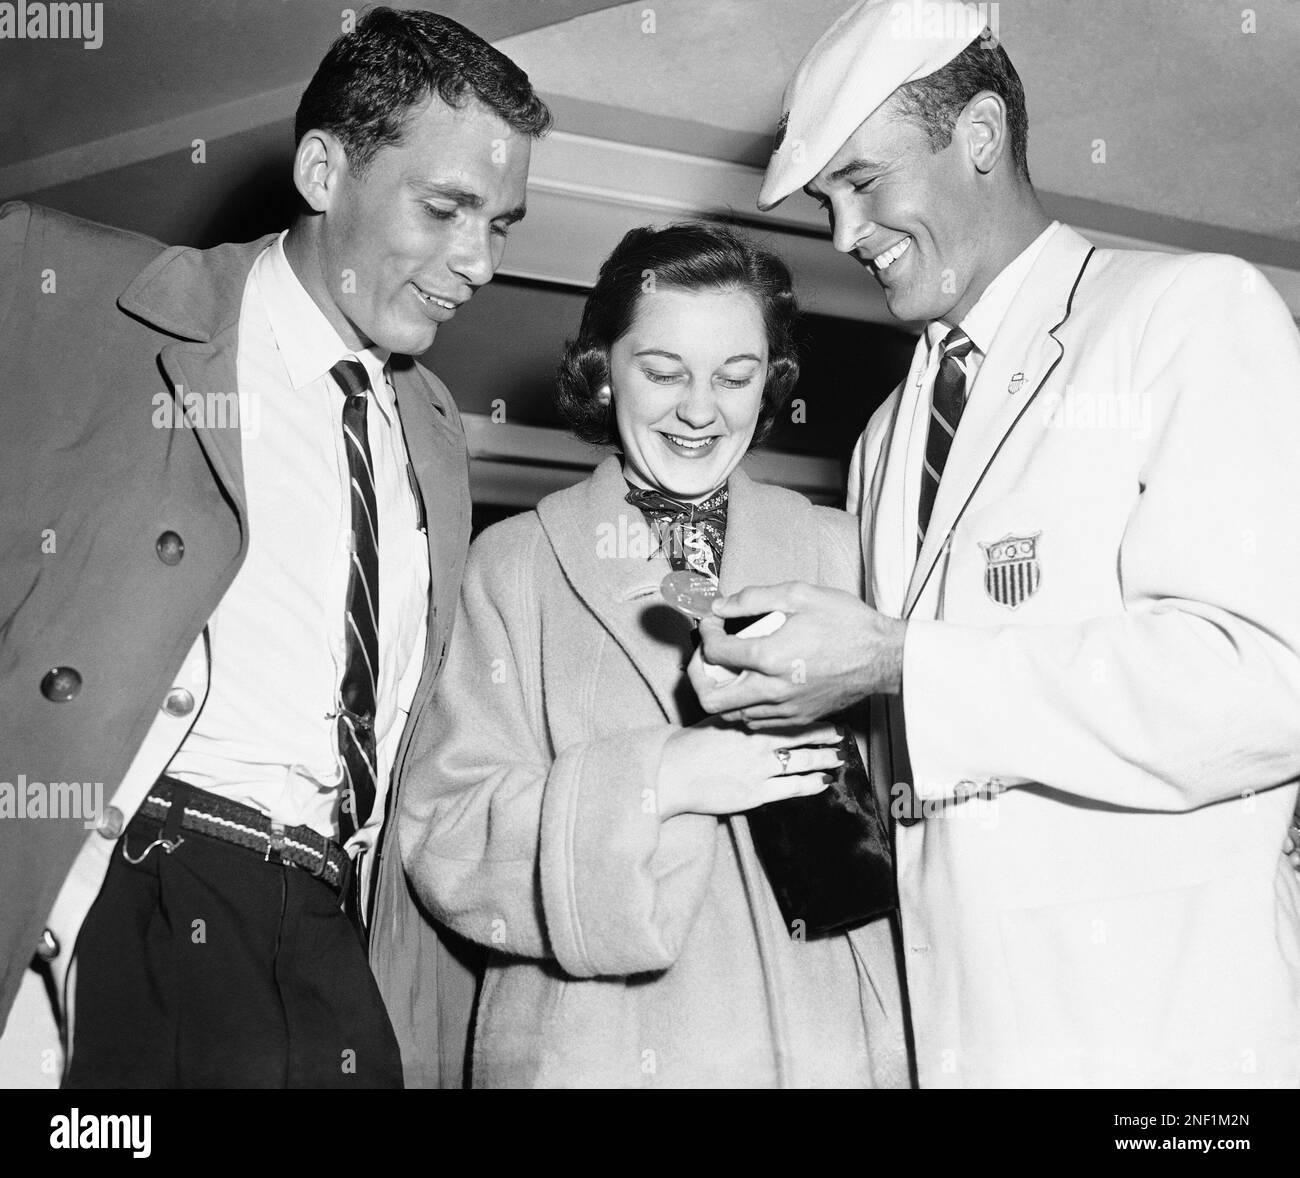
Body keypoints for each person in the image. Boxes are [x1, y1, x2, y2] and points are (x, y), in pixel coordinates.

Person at [689, 0, 1300, 1087]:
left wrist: (893, 660)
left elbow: (1267, 680)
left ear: (977, 135)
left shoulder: (1186, 314)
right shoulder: (883, 440)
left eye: (862, 182)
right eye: (826, 200)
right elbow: (933, 769)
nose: (841, 234)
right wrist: (788, 703)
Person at [0, 7, 549, 1088]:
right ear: (320, 168)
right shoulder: (61, 287)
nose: (479, 261)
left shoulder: (430, 428)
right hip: (138, 877)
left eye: (504, 223)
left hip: (326, 921)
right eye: (446, 208)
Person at [399, 223, 909, 1088]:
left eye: (735, 377)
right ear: (603, 371)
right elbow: (446, 837)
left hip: (826, 1036)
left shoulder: (847, 551)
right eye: (663, 372)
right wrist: (663, 778)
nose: (700, 409)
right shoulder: (515, 563)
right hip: (590, 1043)